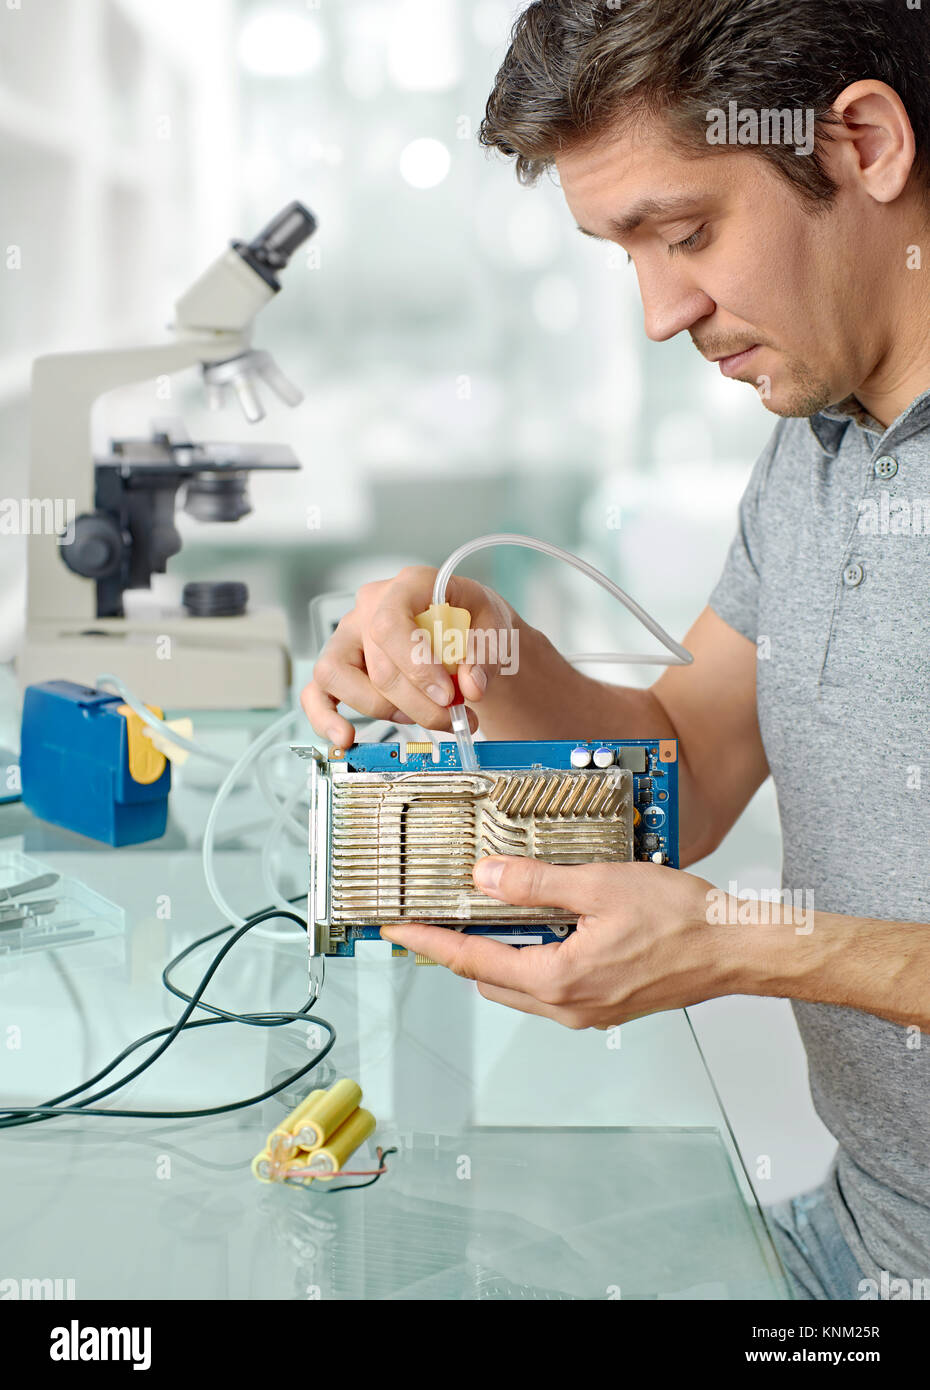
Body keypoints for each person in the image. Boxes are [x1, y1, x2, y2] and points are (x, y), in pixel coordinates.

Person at [301, 0, 930, 1300]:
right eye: (623, 251)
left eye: (687, 232)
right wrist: (477, 635)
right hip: (858, 1231)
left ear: (862, 143)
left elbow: (732, 912)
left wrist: (748, 944)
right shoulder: (817, 448)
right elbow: (686, 762)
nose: (660, 311)